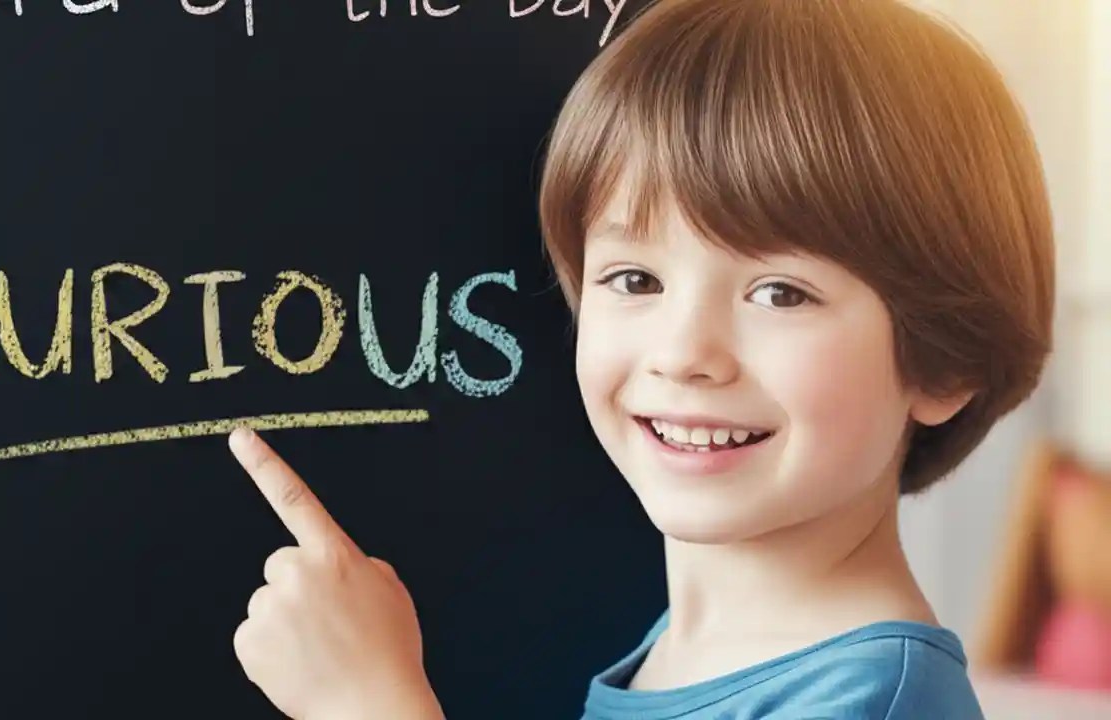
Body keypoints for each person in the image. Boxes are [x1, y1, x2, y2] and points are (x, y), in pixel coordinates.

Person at [226, 0, 1056, 718]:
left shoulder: (869, 703)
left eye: (779, 294)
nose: (684, 353)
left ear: (945, 364)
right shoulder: (684, 653)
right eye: (634, 278)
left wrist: (369, 704)